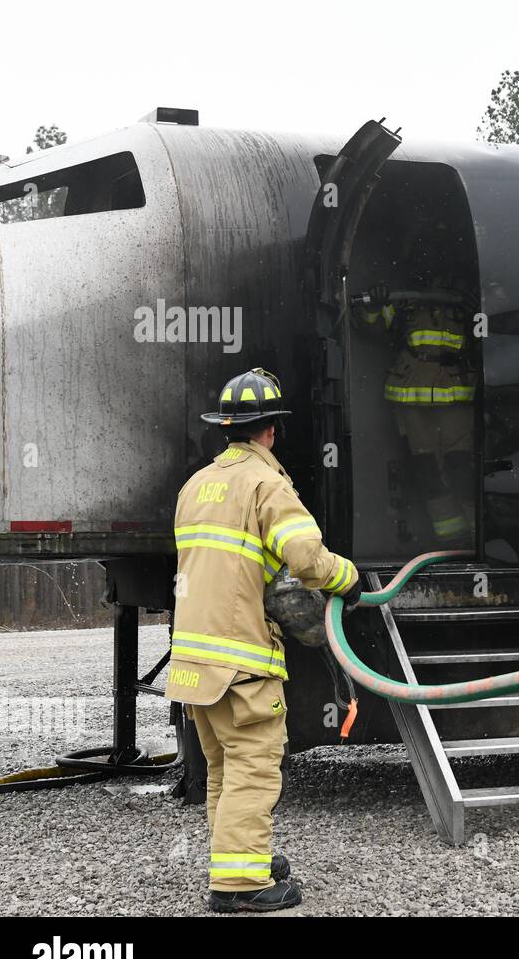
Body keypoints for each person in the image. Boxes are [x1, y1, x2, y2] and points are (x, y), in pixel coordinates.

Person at [166, 368, 362, 913]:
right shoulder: (266, 485)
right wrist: (347, 578)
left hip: (194, 662)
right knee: (254, 764)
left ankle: (239, 857)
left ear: (226, 429)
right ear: (271, 430)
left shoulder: (194, 487)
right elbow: (305, 559)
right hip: (243, 662)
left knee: (225, 769)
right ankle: (239, 886)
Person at [355, 284, 475, 546]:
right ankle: (451, 538)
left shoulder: (467, 298)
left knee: (462, 465)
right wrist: (374, 305)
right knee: (428, 468)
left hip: (455, 391)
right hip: (410, 393)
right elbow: (373, 326)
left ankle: (477, 534)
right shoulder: (406, 301)